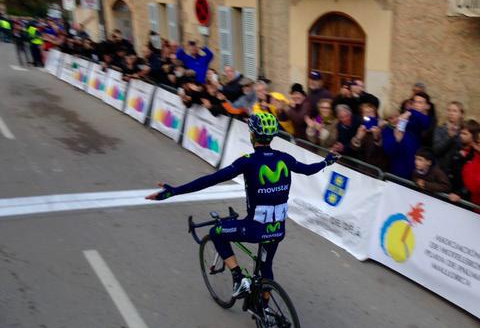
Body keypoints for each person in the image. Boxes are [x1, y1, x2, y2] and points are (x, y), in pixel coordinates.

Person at [146, 113, 338, 297]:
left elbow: (210, 180)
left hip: (253, 229)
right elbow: (308, 170)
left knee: (216, 233)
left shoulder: (248, 162)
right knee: (266, 267)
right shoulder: (285, 158)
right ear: (271, 136)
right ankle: (266, 311)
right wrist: (326, 162)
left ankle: (238, 278)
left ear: (253, 134)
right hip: (278, 230)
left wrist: (175, 191)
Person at [382, 92, 431, 179]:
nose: (395, 120)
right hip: (398, 171)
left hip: (414, 169)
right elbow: (389, 152)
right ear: (387, 120)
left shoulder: (408, 124)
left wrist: (411, 112)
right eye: (391, 118)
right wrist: (397, 140)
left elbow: (426, 122)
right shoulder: (387, 131)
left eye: (396, 116)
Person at [446, 119, 480, 202]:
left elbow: (474, 180)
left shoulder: (477, 155)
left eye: (465, 133)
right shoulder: (457, 149)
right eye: (461, 132)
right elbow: (449, 170)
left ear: (473, 136)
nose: (461, 135)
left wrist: (460, 194)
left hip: (465, 199)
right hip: (450, 194)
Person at [433, 101, 464, 172]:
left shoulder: (463, 130)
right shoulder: (440, 128)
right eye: (449, 110)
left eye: (454, 111)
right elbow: (436, 150)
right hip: (441, 168)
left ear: (461, 114)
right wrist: (449, 137)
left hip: (457, 169)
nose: (451, 113)